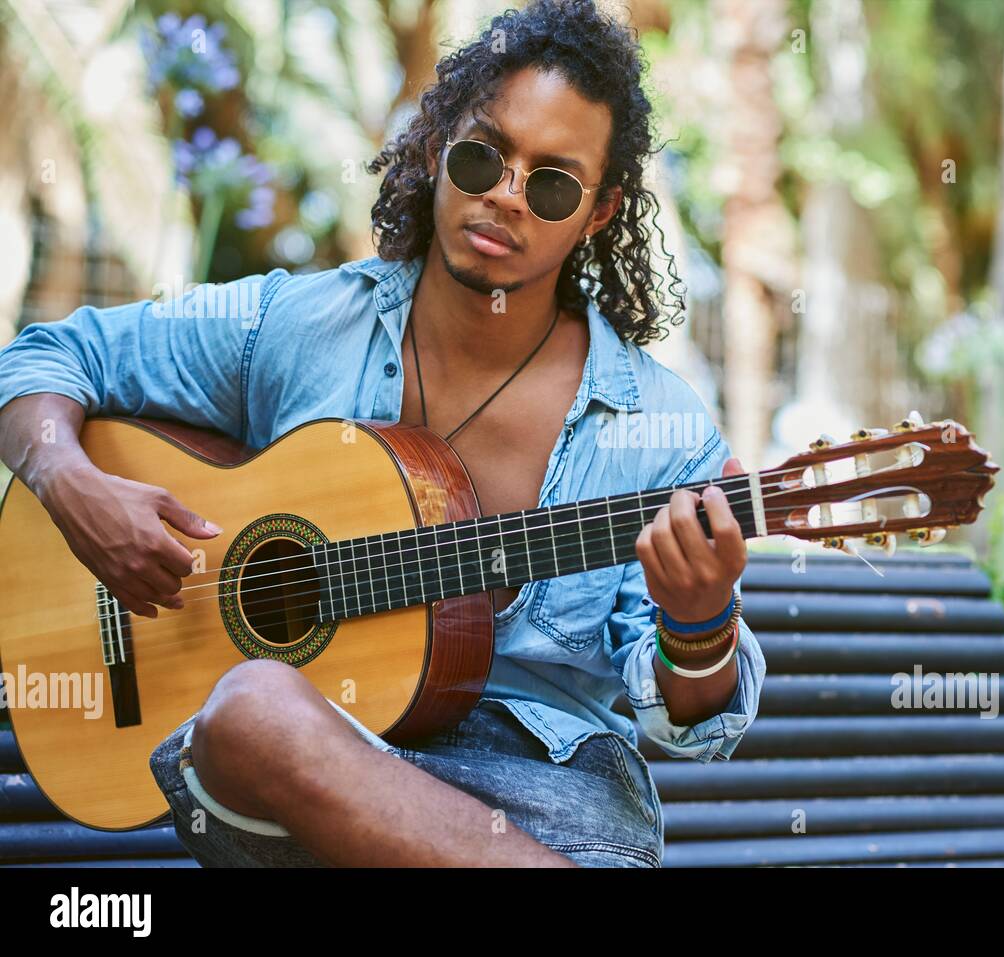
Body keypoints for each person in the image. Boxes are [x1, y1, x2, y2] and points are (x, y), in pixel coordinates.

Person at [0, 0, 765, 867]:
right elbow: (47, 357)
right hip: (303, 776)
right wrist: (69, 483)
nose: (506, 197)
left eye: (551, 183)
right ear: (438, 146)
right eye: (484, 156)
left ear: (597, 213)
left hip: (544, 802)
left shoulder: (657, 431)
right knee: (251, 708)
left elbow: (695, 731)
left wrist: (699, 626)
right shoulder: (298, 325)